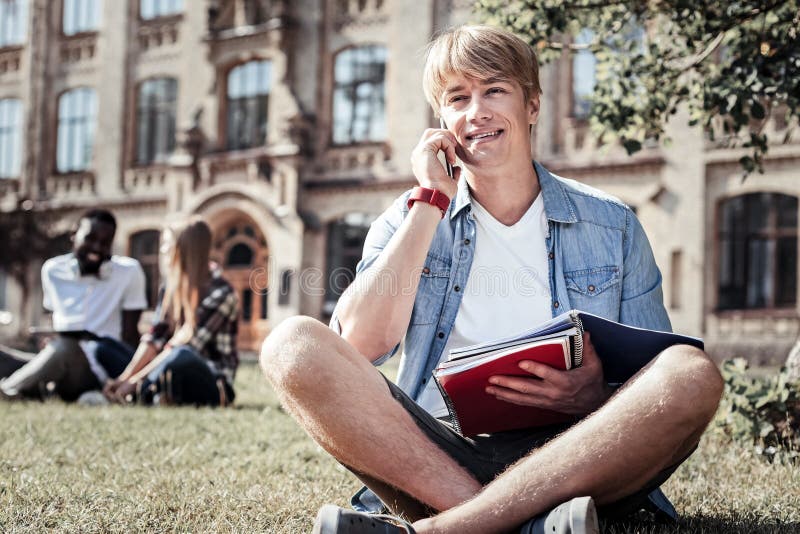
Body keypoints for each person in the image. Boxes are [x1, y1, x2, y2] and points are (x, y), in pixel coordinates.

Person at [260, 25, 724, 534]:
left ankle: (450, 528)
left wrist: (593, 397)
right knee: (291, 344)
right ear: (442, 122)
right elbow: (361, 346)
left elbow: (651, 371)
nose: (475, 111)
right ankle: (514, 522)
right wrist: (430, 201)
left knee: (690, 371)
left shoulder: (613, 225)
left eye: (494, 90)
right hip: (439, 456)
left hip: (575, 452)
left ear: (532, 105)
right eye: (458, 98)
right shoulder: (408, 219)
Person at [0, 209, 147, 402]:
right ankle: (33, 388)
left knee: (67, 347)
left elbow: (130, 336)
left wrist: (125, 379)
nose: (97, 248)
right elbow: (57, 320)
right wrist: (51, 340)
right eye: (90, 238)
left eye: (105, 243)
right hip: (58, 358)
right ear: (74, 235)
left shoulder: (129, 272)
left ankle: (9, 390)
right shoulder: (52, 270)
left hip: (96, 370)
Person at [104, 217, 239, 406]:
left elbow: (188, 346)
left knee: (182, 354)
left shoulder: (222, 293)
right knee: (104, 347)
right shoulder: (169, 289)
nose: (163, 250)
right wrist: (125, 378)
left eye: (168, 244)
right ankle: (143, 393)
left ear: (184, 249)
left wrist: (135, 382)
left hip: (213, 383)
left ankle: (141, 394)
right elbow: (154, 339)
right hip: (170, 368)